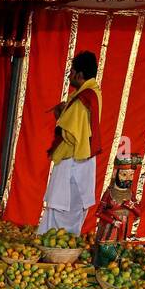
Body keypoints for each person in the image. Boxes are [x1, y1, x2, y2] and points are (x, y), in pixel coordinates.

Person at [39, 51, 102, 236]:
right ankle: (62, 247)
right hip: (82, 159)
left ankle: (56, 249)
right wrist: (67, 111)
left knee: (61, 206)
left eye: (72, 72)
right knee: (73, 207)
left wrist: (60, 117)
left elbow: (70, 134)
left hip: (73, 159)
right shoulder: (93, 93)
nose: (69, 76)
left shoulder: (82, 100)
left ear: (80, 75)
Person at [95, 154, 142, 243]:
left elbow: (139, 213)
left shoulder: (130, 193)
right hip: (108, 228)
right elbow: (98, 212)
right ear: (115, 174)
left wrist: (133, 207)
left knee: (119, 248)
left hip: (123, 228)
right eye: (124, 174)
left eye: (131, 175)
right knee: (106, 249)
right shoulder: (109, 192)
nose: (128, 179)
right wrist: (112, 221)